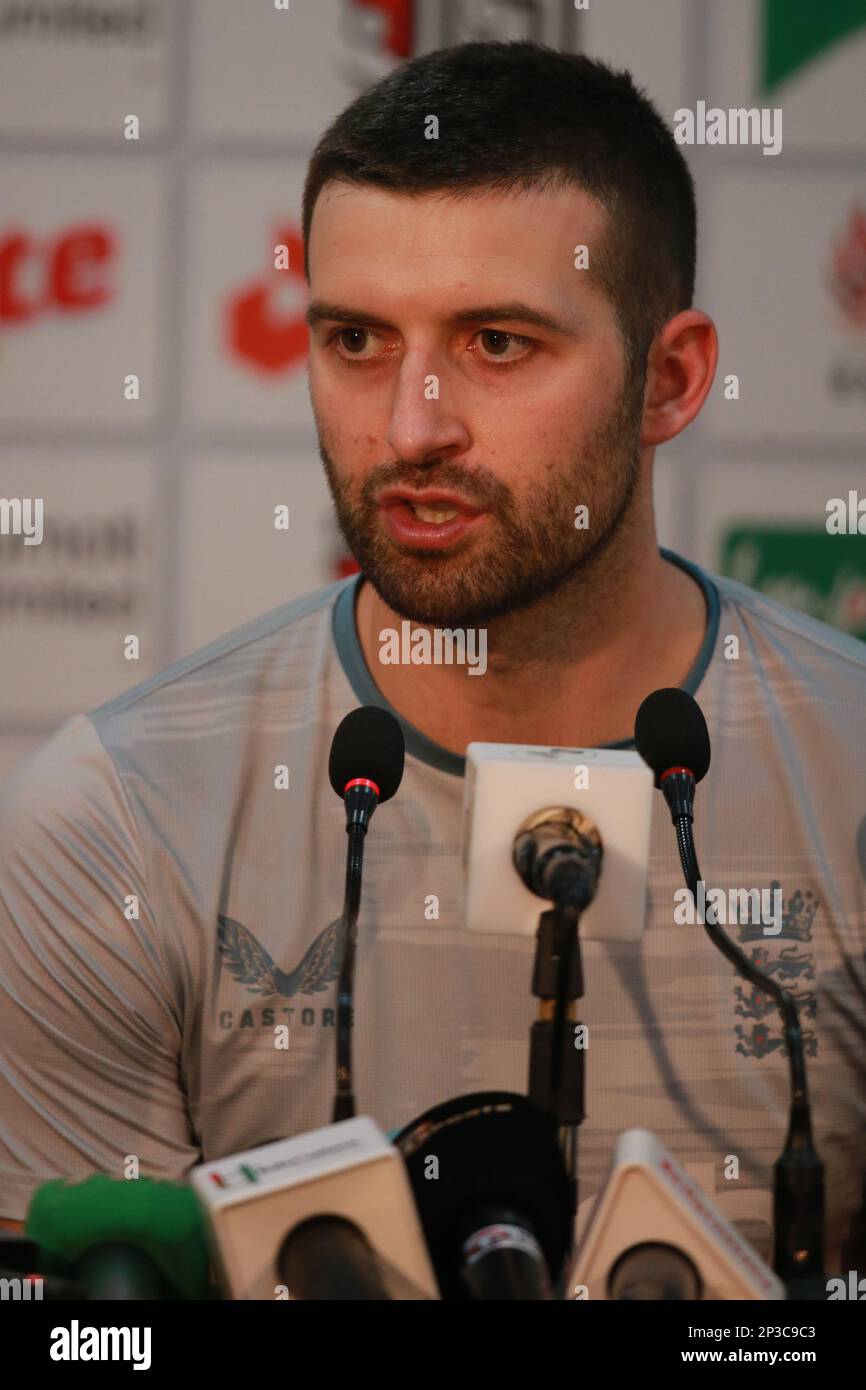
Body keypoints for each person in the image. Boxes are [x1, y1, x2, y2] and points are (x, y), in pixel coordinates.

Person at [1, 41, 864, 1280]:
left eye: (496, 343)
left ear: (668, 381)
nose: (410, 426)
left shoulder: (847, 771)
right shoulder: (117, 823)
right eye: (355, 338)